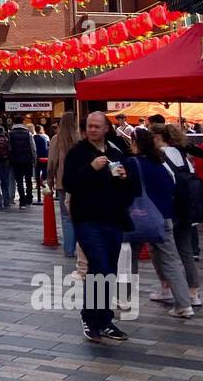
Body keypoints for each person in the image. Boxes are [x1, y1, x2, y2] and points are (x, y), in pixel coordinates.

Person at [65, 112, 138, 342]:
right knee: (100, 266)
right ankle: (90, 317)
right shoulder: (77, 153)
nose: (93, 130)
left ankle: (104, 320)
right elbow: (69, 183)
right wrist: (91, 168)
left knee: (109, 271)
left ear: (107, 128)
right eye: (89, 126)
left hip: (113, 219)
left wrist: (126, 178)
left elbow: (132, 189)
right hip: (88, 220)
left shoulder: (117, 152)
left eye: (97, 126)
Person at [126, 129, 195, 318]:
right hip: (164, 218)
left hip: (137, 218)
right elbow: (172, 188)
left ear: (136, 145)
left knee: (129, 259)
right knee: (171, 261)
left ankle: (126, 300)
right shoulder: (161, 163)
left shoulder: (132, 163)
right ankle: (184, 304)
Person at [154, 123, 203, 308]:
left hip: (168, 210)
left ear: (158, 137)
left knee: (160, 251)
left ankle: (166, 287)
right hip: (187, 209)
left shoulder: (159, 156)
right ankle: (194, 292)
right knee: (186, 251)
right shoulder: (182, 155)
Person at [46, 112, 80, 269]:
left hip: (62, 182)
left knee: (66, 216)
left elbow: (52, 161)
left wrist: (50, 179)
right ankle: (81, 247)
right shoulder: (79, 138)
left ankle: (69, 249)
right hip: (79, 182)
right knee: (78, 215)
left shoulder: (56, 139)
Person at [7, 116, 37, 207]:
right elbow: (33, 148)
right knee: (28, 180)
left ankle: (22, 201)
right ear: (23, 122)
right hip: (27, 159)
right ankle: (29, 198)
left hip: (16, 160)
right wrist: (34, 159)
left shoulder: (10, 134)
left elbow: (9, 148)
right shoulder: (28, 133)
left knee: (19, 181)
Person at [33, 124, 50, 196]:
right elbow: (46, 148)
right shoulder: (44, 137)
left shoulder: (33, 137)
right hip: (43, 157)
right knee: (45, 170)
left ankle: (38, 182)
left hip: (36, 157)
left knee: (37, 170)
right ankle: (41, 180)